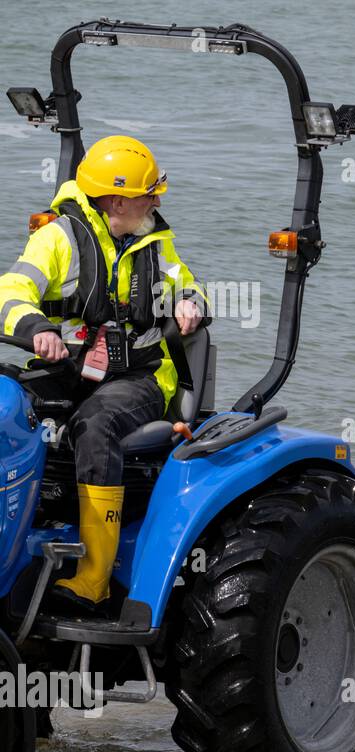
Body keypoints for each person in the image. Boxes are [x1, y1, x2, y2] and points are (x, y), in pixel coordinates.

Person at [0, 135, 208, 610]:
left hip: (140, 378)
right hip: (65, 369)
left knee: (96, 425)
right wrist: (35, 328)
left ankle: (93, 578)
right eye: (148, 193)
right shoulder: (57, 237)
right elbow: (10, 289)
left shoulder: (156, 241)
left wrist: (190, 305)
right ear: (117, 200)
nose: (156, 201)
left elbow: (192, 288)